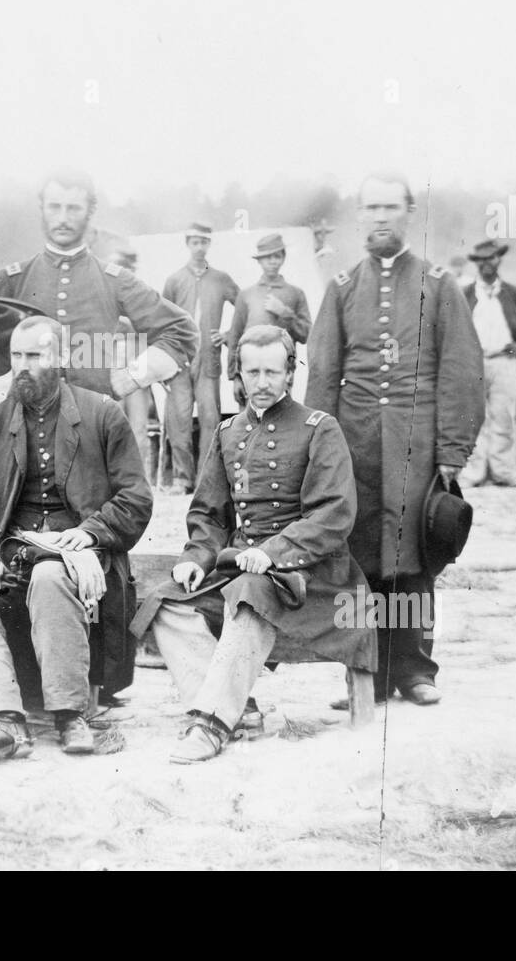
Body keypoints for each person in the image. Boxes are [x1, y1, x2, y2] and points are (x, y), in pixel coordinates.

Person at [132, 325, 374, 763]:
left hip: (312, 578)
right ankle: (239, 711)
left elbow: (333, 514)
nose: (261, 383)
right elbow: (208, 513)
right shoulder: (227, 432)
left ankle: (210, 723)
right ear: (237, 375)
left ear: (290, 373)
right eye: (251, 372)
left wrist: (272, 553)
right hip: (241, 569)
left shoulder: (320, 429)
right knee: (165, 601)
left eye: (272, 372)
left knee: (252, 590)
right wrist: (197, 557)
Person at [305, 173, 484, 707]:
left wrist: (452, 450)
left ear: (409, 212)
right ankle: (366, 674)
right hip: (355, 447)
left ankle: (414, 671)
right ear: (359, 215)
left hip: (419, 444)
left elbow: (461, 371)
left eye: (390, 207)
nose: (379, 217)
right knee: (357, 559)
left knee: (415, 557)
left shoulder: (439, 284)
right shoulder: (340, 288)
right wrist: (318, 449)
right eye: (370, 208)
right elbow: (322, 373)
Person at [0, 316, 153, 766]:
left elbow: (136, 499)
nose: (23, 367)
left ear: (61, 358)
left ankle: (70, 714)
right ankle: (2, 719)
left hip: (84, 559)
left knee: (48, 575)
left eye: (35, 356)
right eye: (16, 356)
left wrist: (87, 533)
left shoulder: (102, 414)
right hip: (13, 554)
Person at [0, 169, 197, 403]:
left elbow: (182, 330)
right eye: (54, 206)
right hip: (29, 424)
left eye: (74, 208)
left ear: (90, 212)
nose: (63, 218)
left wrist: (132, 377)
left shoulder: (116, 280)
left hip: (94, 424)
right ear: (42, 209)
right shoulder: (13, 279)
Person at [161, 223, 240, 494]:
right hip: (180, 360)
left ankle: (208, 479)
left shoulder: (220, 278)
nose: (199, 247)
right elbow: (161, 319)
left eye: (204, 242)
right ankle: (183, 478)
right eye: (194, 242)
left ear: (209, 244)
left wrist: (228, 334)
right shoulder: (173, 280)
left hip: (209, 358)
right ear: (187, 243)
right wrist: (164, 357)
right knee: (179, 418)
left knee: (209, 417)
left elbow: (244, 306)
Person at [461, 241, 516, 487]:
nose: (486, 264)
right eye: (480, 260)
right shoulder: (464, 293)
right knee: (473, 418)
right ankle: (474, 472)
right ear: (475, 263)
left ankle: (502, 472)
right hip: (473, 364)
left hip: (505, 362)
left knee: (503, 416)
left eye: (491, 258)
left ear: (499, 260)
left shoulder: (511, 292)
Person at [227, 233, 312, 396]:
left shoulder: (295, 293)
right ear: (259, 261)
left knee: (281, 417)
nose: (273, 261)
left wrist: (285, 313)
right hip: (250, 370)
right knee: (250, 419)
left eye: (277, 256)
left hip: (281, 370)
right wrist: (236, 376)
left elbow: (307, 334)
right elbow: (235, 336)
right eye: (267, 257)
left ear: (283, 258)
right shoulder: (246, 294)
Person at [107, 243, 156, 478]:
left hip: (138, 359)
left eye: (125, 267)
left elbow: (153, 328)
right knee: (113, 422)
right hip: (111, 361)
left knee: (139, 425)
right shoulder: (101, 296)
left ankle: (140, 480)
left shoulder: (144, 296)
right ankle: (112, 479)